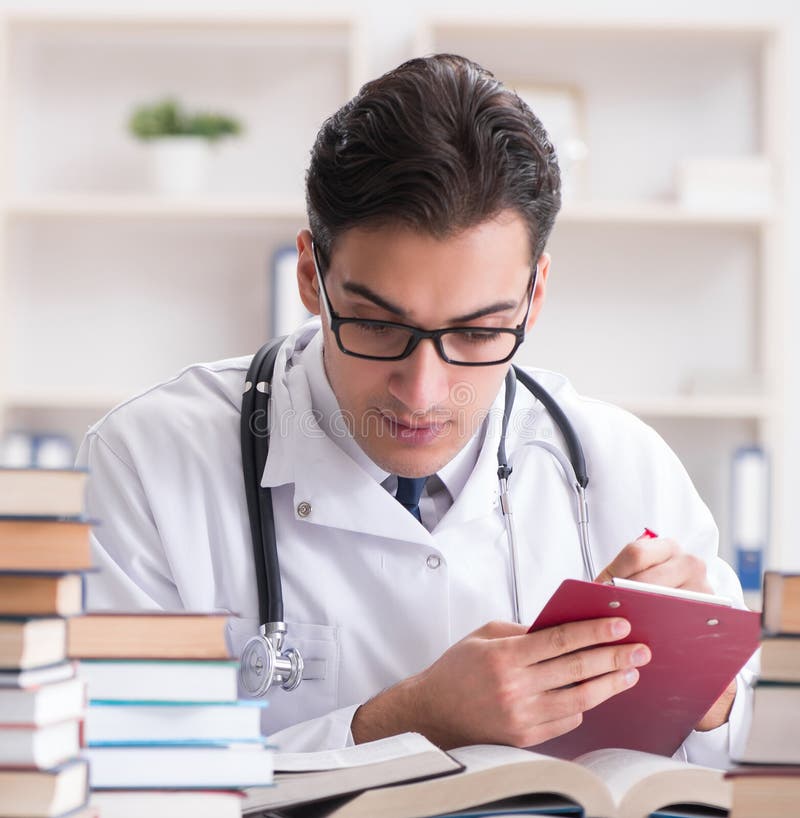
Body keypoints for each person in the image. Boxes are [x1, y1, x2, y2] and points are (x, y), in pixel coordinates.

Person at [78, 54, 755, 763]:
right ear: (312, 277)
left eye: (478, 332)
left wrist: (709, 703)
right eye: (378, 326)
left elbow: (743, 774)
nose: (424, 391)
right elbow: (122, 775)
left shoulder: (624, 468)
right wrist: (409, 720)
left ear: (535, 295)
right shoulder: (147, 464)